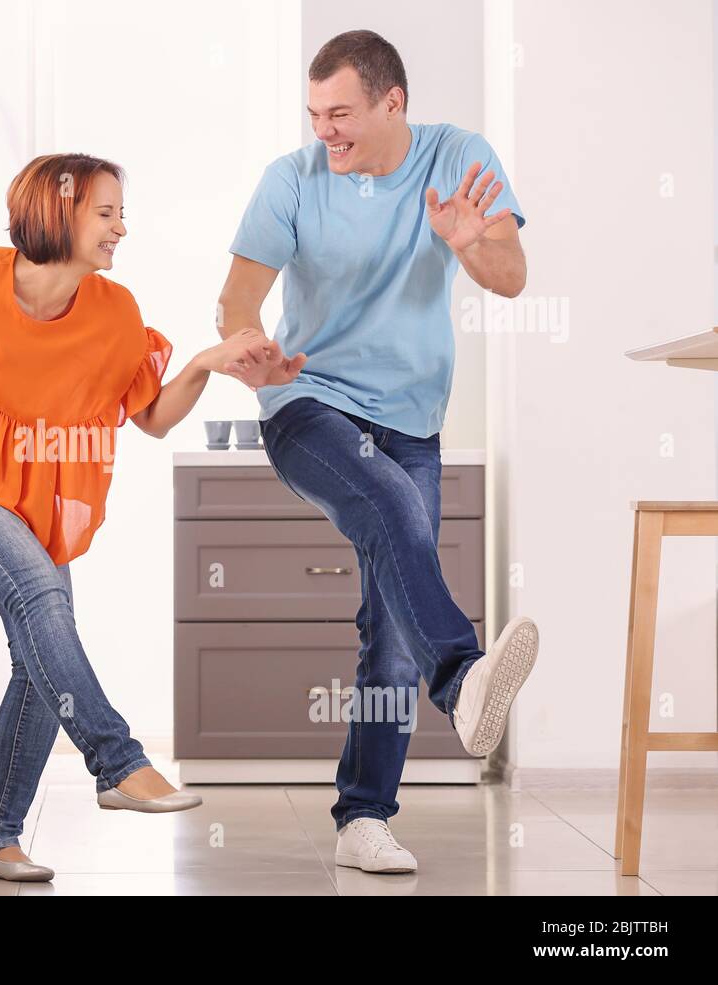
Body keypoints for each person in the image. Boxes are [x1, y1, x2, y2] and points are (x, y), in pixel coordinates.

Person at [0, 152, 301, 882]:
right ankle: (117, 760)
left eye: (121, 213)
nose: (122, 228)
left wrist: (207, 363)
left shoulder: (115, 313)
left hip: (22, 488)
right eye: (106, 213)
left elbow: (150, 416)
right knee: (39, 593)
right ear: (59, 212)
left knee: (41, 651)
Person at [217, 30, 540, 875]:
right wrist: (249, 344)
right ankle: (463, 677)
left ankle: (364, 816)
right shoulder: (292, 179)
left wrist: (470, 239)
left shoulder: (457, 157)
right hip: (306, 405)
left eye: (342, 113)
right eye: (315, 114)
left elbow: (511, 277)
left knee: (390, 622)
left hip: (411, 421)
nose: (325, 130)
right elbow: (238, 295)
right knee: (396, 508)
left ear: (392, 102)